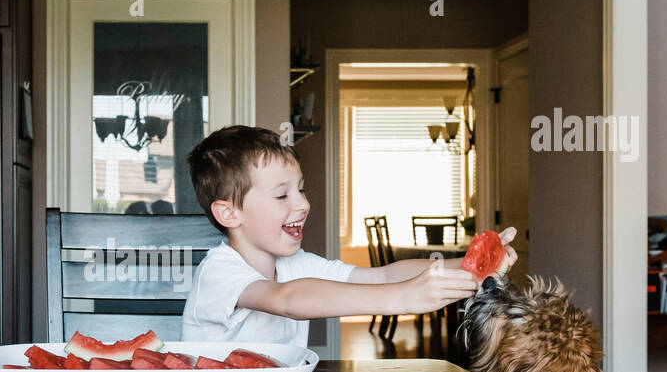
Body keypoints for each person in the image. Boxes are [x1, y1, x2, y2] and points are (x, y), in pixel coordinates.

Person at [181, 125, 516, 346]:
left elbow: (381, 275)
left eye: (301, 190)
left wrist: (471, 265)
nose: (302, 204)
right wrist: (402, 299)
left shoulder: (295, 264)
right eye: (282, 196)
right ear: (229, 213)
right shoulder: (219, 273)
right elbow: (286, 300)